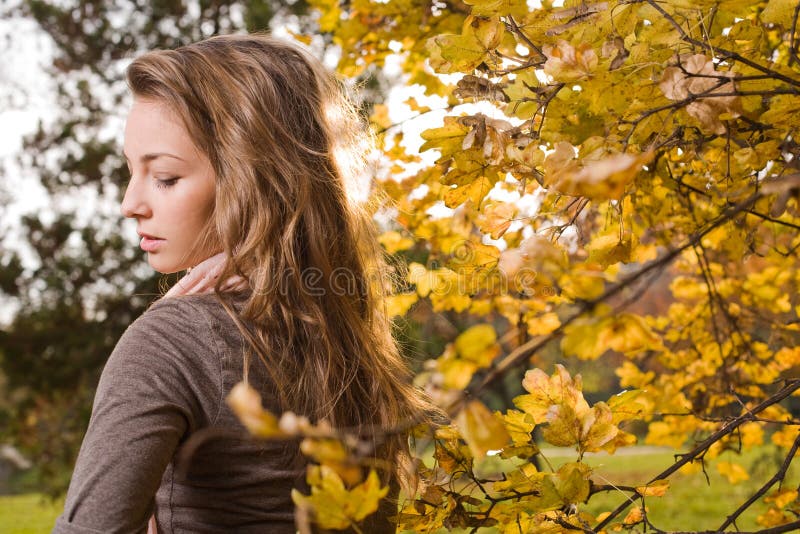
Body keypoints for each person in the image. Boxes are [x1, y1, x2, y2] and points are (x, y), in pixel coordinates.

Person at [53, 33, 425, 534]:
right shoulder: (350, 338)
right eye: (130, 170)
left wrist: (164, 332)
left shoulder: (171, 344)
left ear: (251, 181)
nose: (130, 203)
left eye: (164, 177)